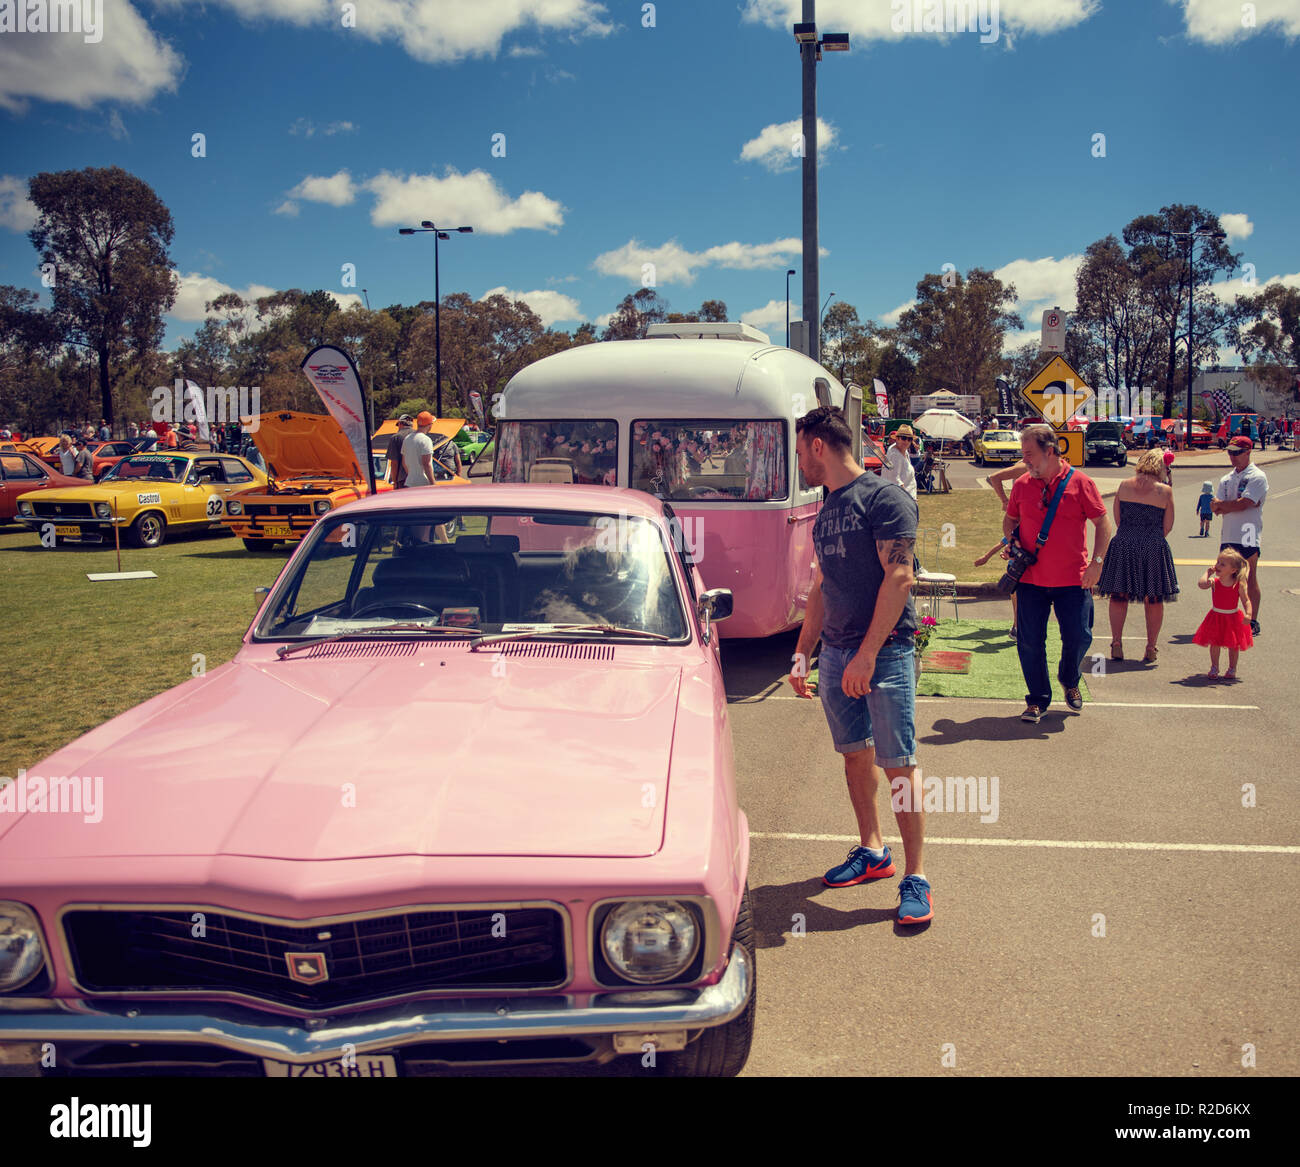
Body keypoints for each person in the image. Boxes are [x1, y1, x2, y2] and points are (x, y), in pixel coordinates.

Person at [786, 406, 932, 926]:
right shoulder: (826, 509)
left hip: (884, 652)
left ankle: (915, 876)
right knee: (854, 758)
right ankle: (872, 851)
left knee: (898, 764)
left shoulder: (884, 498)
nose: (799, 460)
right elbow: (822, 586)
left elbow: (899, 578)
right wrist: (805, 652)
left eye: (801, 450)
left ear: (819, 446)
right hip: (838, 655)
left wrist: (868, 654)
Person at [1004, 423, 1111, 723]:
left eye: (1029, 454)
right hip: (1030, 581)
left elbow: (1103, 524)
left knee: (1079, 636)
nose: (1025, 461)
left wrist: (1097, 563)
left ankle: (1069, 678)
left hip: (1074, 580)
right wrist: (1011, 542)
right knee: (1029, 642)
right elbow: (1009, 520)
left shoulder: (1081, 483)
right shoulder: (1023, 484)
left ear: (1049, 451)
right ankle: (1037, 699)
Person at [1096, 450, 1177, 665]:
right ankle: (1151, 647)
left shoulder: (1124, 485)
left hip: (1124, 543)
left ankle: (1116, 643)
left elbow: (1118, 519)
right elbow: (1167, 527)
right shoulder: (1165, 491)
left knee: (1119, 596)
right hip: (1152, 546)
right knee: (1154, 598)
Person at [1212, 435, 1267, 637]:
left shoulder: (1257, 476)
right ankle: (1227, 617)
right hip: (1229, 532)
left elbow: (1245, 503)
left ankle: (1252, 621)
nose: (1232, 457)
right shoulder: (1227, 478)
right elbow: (1218, 507)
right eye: (1230, 452)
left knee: (1249, 577)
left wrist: (1227, 505)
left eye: (1236, 452)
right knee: (1225, 578)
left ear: (1248, 452)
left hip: (1248, 532)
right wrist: (1226, 505)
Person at [1193, 549, 1253, 680]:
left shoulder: (1239, 584)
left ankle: (1232, 668)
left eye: (1222, 564)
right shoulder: (1215, 582)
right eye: (1218, 562)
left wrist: (1249, 614)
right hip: (1216, 616)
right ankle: (1214, 666)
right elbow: (1201, 584)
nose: (1218, 565)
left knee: (1233, 645)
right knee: (1215, 643)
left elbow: (1246, 600)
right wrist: (1208, 572)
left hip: (1233, 617)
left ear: (1233, 570)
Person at [973, 535, 1019, 641]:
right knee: (1016, 600)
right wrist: (985, 558)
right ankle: (1016, 627)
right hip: (1013, 569)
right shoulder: (1014, 530)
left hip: (1024, 570)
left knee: (1020, 601)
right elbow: (1001, 544)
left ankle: (1016, 628)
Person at [879, 424, 918, 499]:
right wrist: (907, 498)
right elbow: (895, 480)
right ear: (897, 438)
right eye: (903, 438)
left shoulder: (904, 451)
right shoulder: (895, 455)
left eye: (909, 439)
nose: (906, 441)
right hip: (901, 500)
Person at [385, 415, 413, 487]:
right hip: (419, 479)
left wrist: (395, 482)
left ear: (400, 424)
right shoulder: (419, 435)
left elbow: (394, 463)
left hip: (403, 480)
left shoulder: (396, 438)